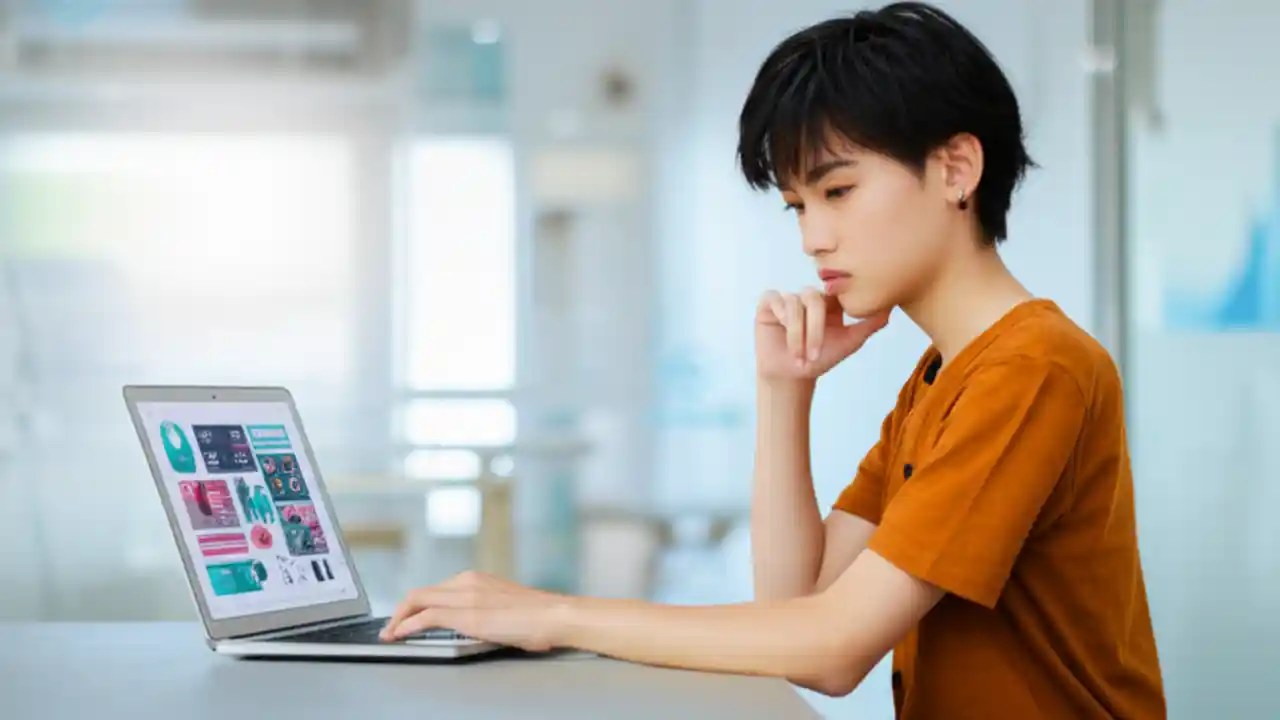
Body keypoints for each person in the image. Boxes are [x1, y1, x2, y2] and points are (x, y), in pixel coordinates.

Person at [381, 3, 1165, 716]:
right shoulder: (941, 376)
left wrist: (552, 614)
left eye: (838, 191)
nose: (812, 237)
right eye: (797, 204)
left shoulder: (1032, 370)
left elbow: (832, 652)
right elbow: (796, 607)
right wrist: (784, 390)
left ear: (956, 169)